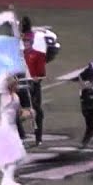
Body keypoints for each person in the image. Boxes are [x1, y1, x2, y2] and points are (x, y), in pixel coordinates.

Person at [19, 16, 56, 145]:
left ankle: (38, 137)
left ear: (32, 41)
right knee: (13, 110)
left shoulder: (39, 55)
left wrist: (34, 80)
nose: (26, 43)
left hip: (33, 85)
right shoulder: (18, 54)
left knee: (37, 111)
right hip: (21, 85)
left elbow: (41, 74)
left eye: (28, 41)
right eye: (24, 40)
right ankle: (20, 135)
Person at [0, 74, 29, 185]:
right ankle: (7, 179)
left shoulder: (15, 96)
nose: (18, 86)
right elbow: (13, 110)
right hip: (5, 127)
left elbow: (18, 114)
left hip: (11, 127)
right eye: (15, 84)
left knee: (14, 155)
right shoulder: (6, 96)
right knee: (15, 155)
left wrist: (28, 113)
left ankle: (7, 178)